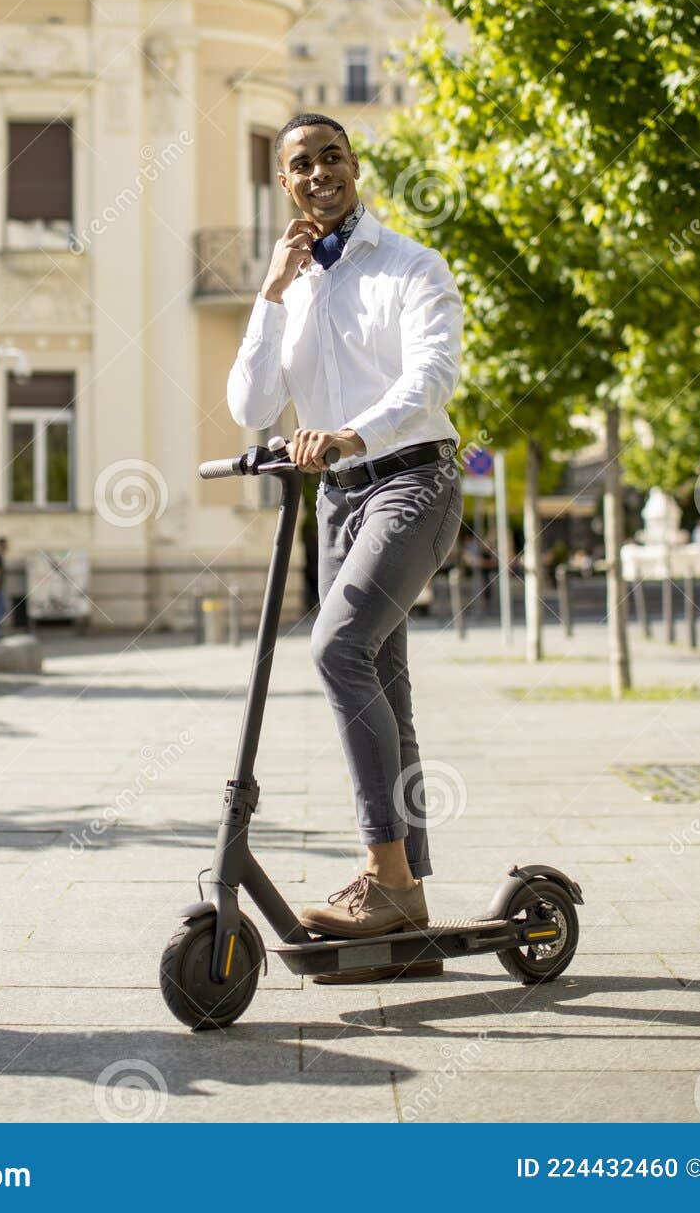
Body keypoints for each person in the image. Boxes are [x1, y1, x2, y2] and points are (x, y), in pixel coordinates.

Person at [227, 113, 463, 964]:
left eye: (332, 156)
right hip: (337, 500)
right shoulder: (290, 291)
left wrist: (350, 433)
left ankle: (384, 877)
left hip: (414, 479)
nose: (319, 171)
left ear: (354, 166)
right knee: (381, 682)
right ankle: (409, 890)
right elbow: (250, 408)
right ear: (283, 184)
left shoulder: (410, 265)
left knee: (336, 650)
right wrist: (269, 291)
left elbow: (431, 375)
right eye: (300, 164)